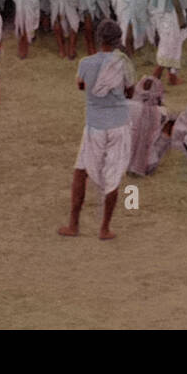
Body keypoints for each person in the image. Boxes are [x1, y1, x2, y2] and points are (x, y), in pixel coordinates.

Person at [58, 18, 135, 241]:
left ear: (98, 39)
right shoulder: (125, 63)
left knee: (80, 171)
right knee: (113, 175)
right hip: (119, 124)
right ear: (118, 40)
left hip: (95, 125)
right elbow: (130, 93)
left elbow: (81, 86)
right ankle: (104, 228)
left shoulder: (86, 63)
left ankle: (74, 224)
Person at [126, 74, 171, 176]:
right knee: (169, 127)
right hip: (149, 164)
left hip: (125, 161)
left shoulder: (129, 106)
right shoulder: (161, 112)